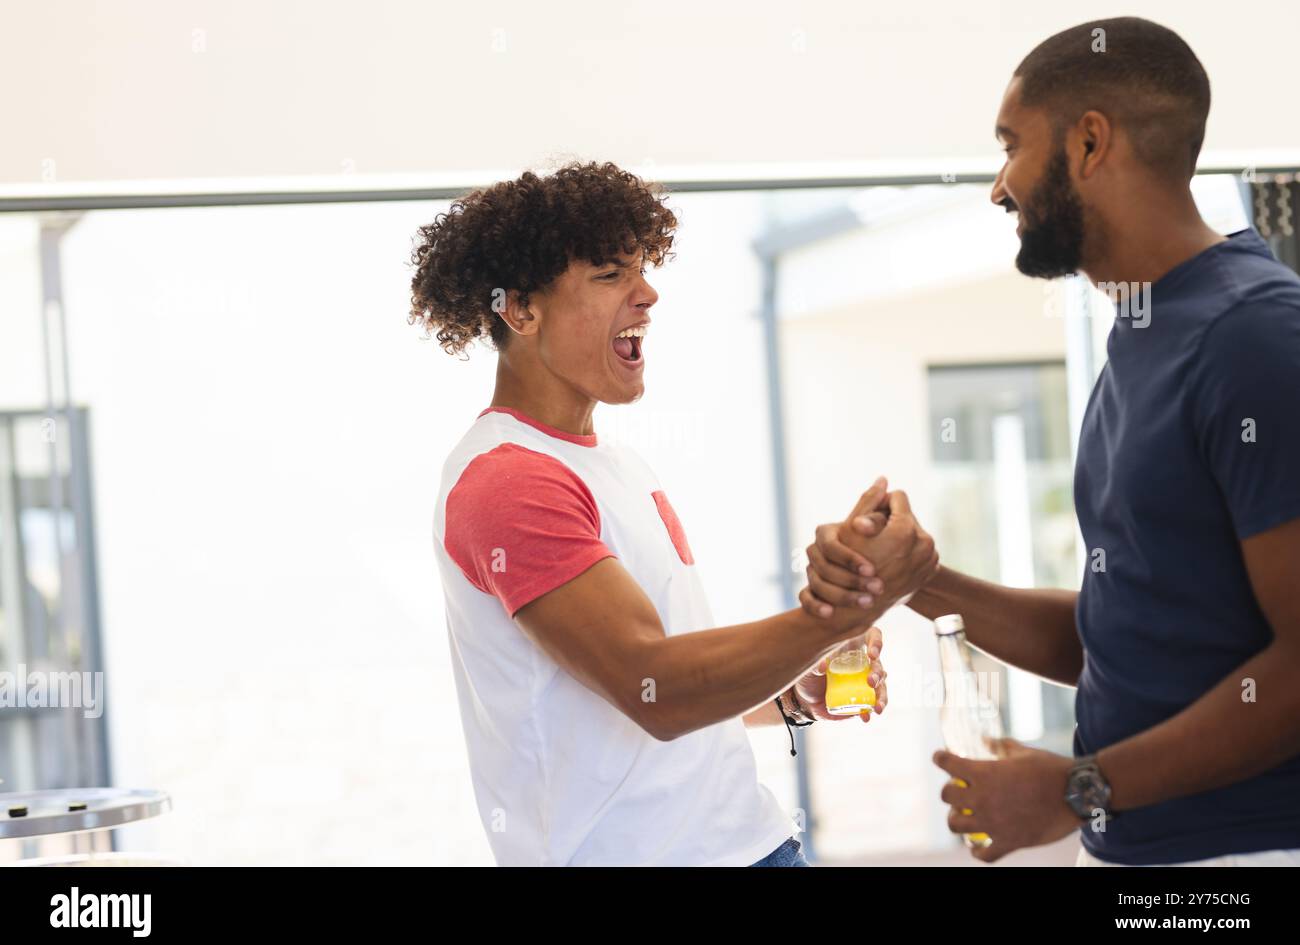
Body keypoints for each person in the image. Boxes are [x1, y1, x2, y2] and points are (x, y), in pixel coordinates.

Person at [803, 17, 1300, 866]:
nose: (999, 187)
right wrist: (912, 580)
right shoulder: (1143, 335)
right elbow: (1119, 640)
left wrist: (1078, 786)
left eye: (1011, 147)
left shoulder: (1253, 336)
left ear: (1090, 143)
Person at [412, 161, 938, 866]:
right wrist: (836, 614)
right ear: (521, 308)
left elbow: (658, 694)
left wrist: (791, 689)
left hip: (748, 842)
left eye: (642, 268)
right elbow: (651, 685)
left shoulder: (615, 467)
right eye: (610, 275)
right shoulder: (507, 480)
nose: (648, 293)